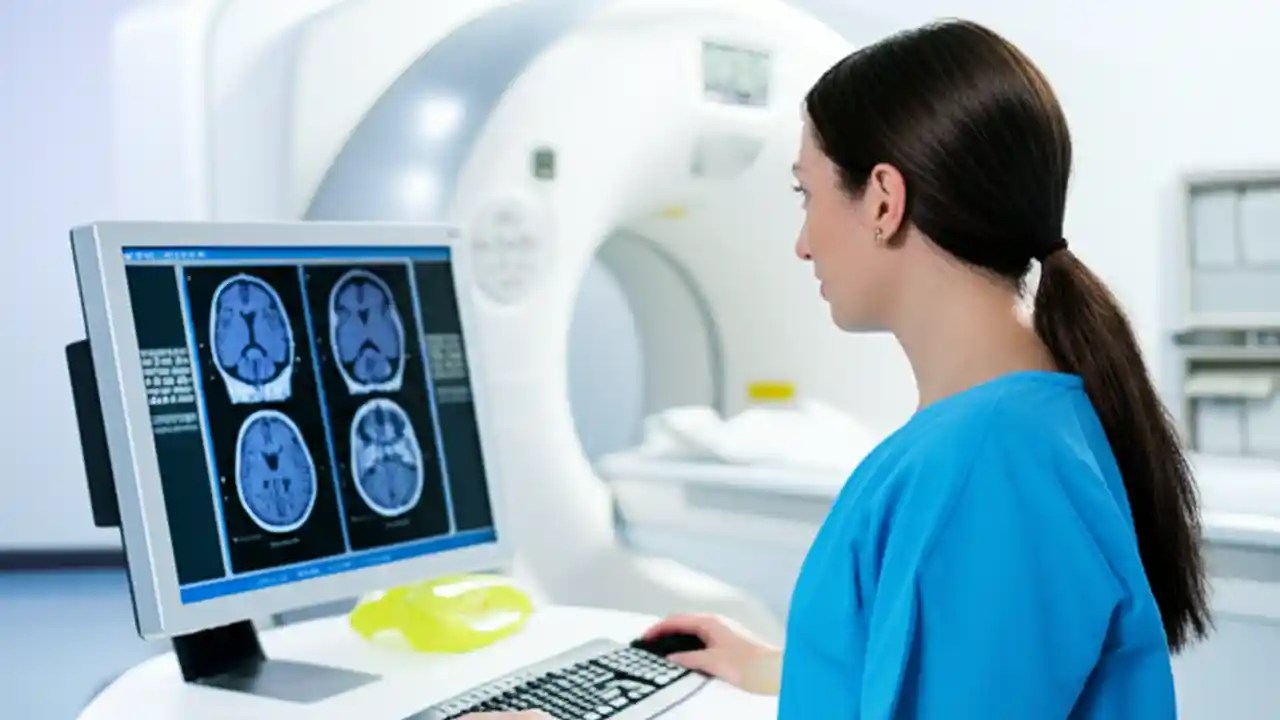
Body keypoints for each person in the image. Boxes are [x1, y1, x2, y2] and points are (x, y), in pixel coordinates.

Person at [464, 18, 1210, 719]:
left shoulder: (983, 468)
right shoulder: (1036, 419)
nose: (803, 242)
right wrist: (779, 669)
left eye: (806, 194)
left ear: (884, 200)